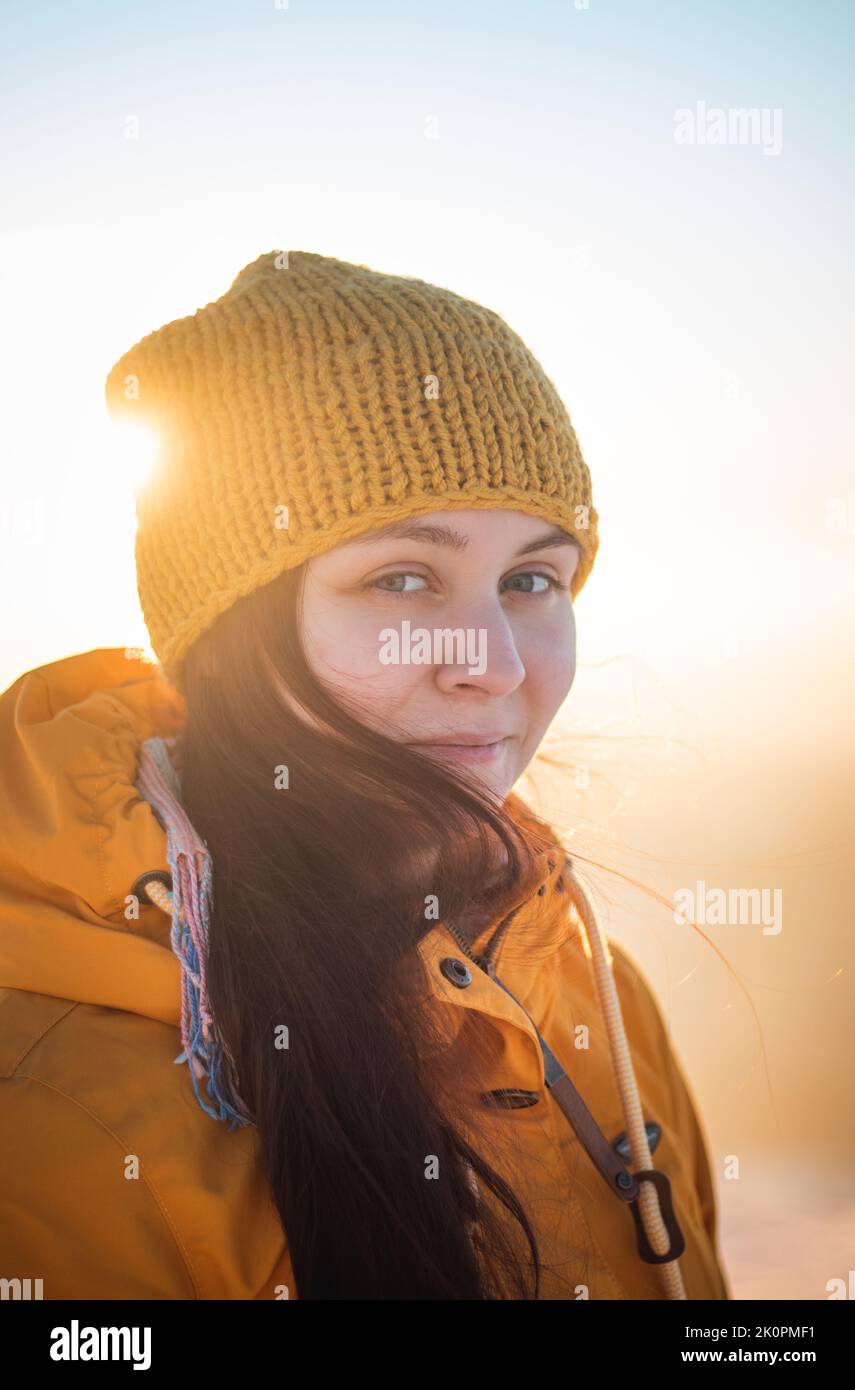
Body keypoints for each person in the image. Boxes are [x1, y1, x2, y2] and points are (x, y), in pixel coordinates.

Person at [0, 250, 730, 1300]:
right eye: (401, 577)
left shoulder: (592, 1001)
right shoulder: (54, 1115)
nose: (493, 663)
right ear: (231, 632)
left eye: (531, 579)